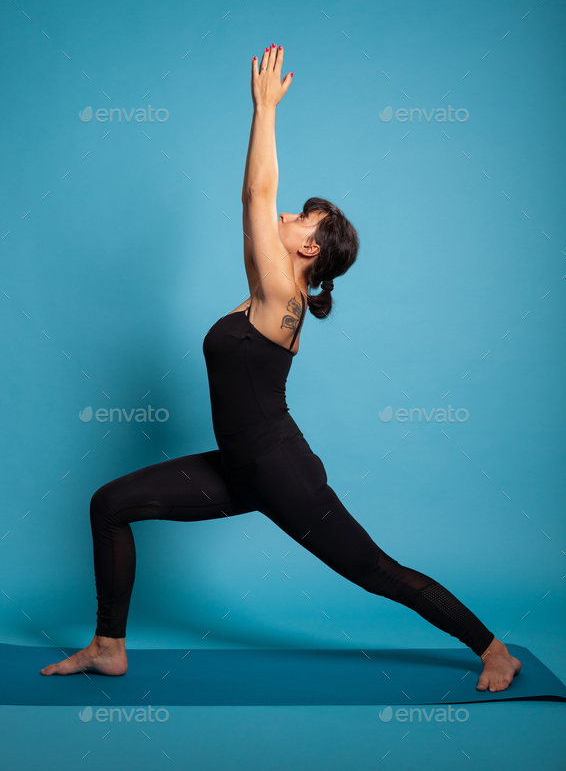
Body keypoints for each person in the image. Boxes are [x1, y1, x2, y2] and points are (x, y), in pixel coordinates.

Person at [41, 43, 521, 693]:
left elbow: (254, 192)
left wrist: (264, 108)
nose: (287, 214)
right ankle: (108, 646)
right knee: (110, 504)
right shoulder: (261, 291)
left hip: (283, 472)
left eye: (301, 217)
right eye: (296, 209)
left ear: (307, 248)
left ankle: (494, 649)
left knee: (377, 569)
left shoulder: (283, 298)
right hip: (238, 466)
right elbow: (257, 207)